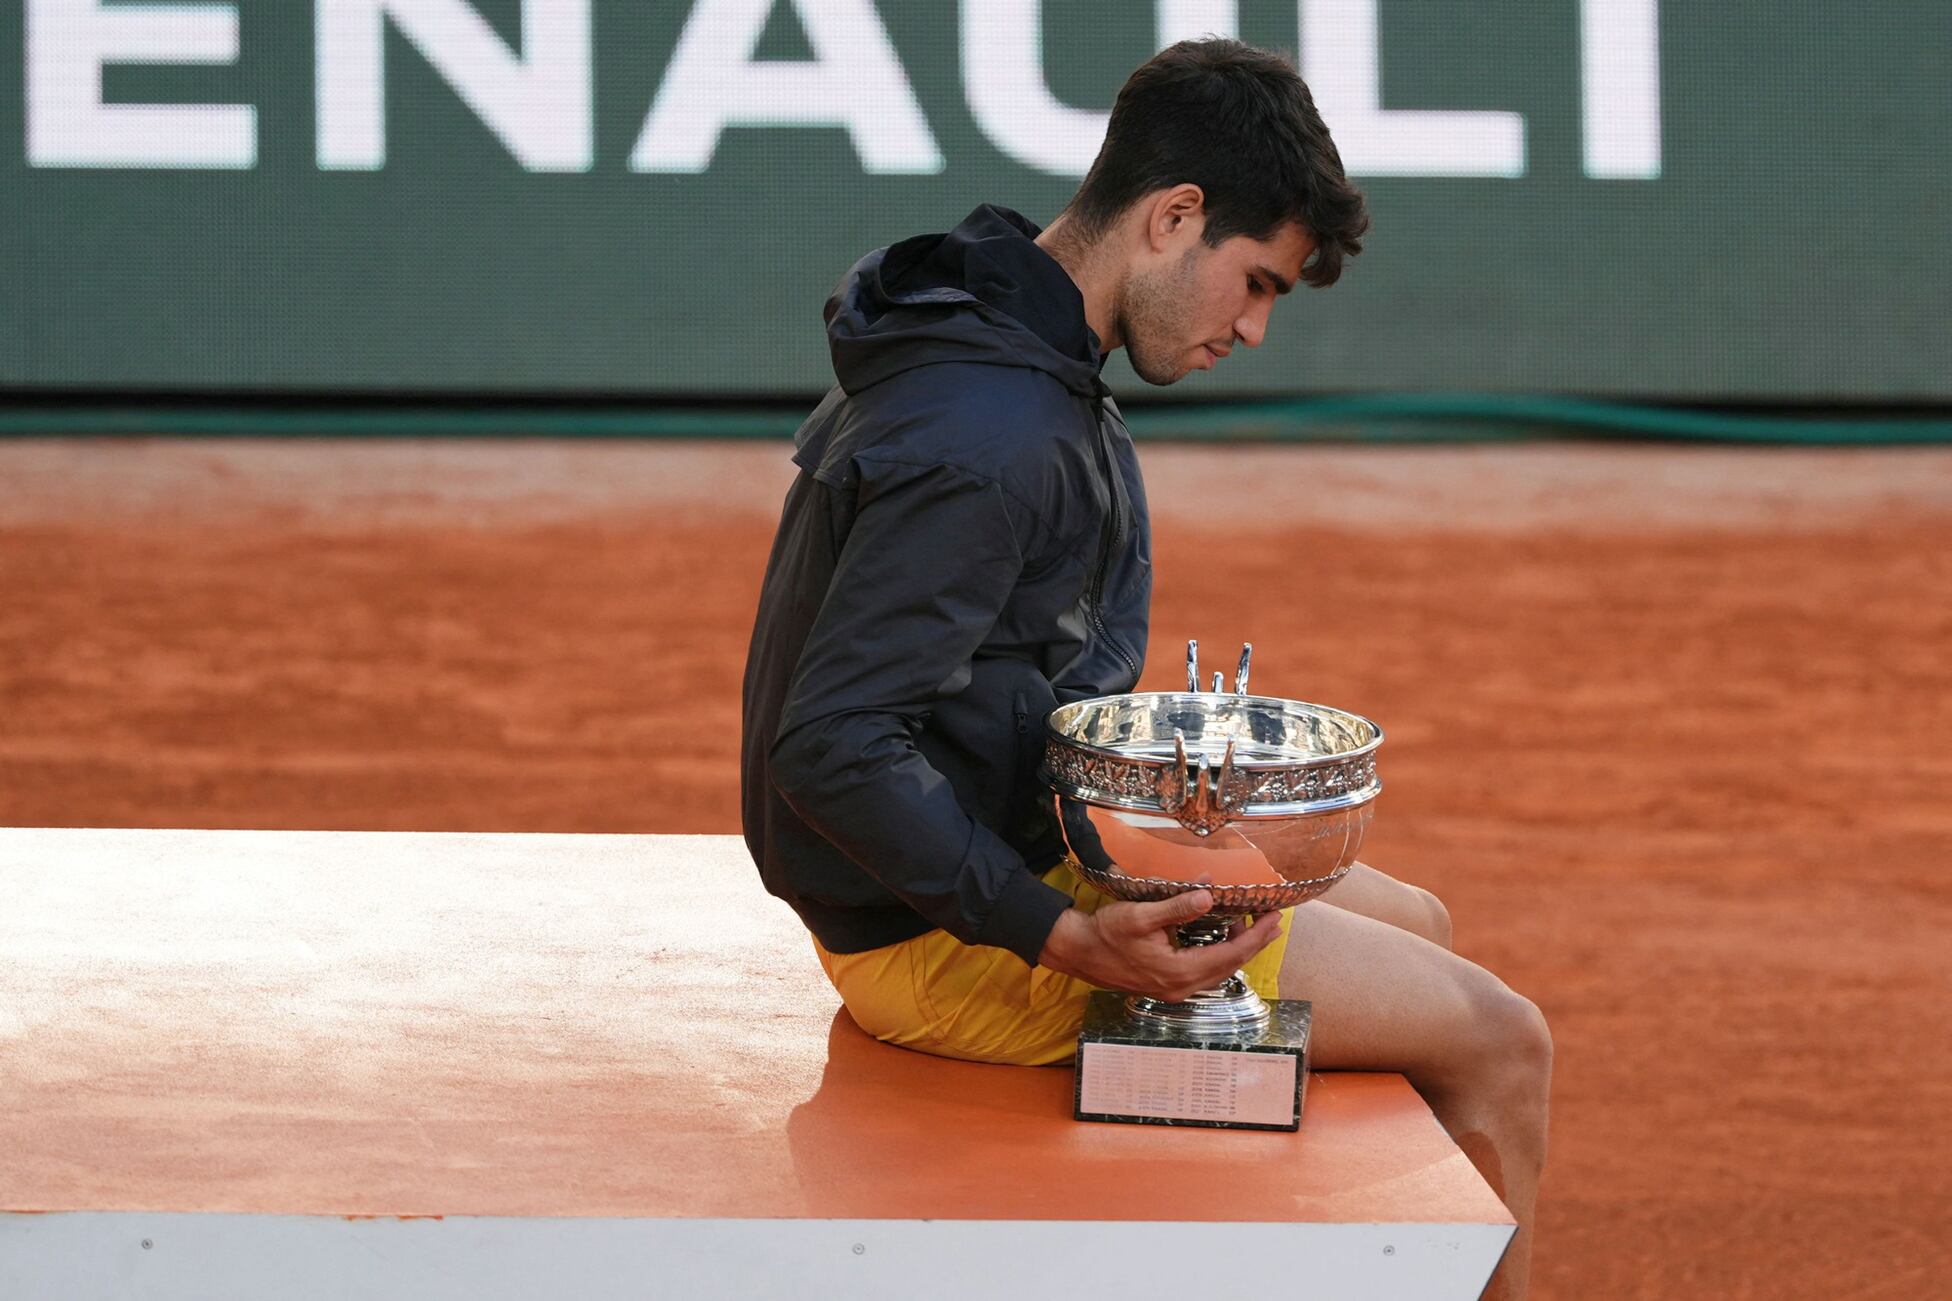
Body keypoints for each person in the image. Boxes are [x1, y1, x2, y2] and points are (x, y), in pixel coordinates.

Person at [740, 38, 1551, 1300]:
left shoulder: (1013, 346)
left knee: (1422, 924)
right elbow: (831, 746)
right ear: (1173, 217)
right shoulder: (990, 431)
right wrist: (1065, 935)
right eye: (1255, 282)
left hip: (979, 850)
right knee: (1502, 1041)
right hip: (934, 937)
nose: (1254, 327)